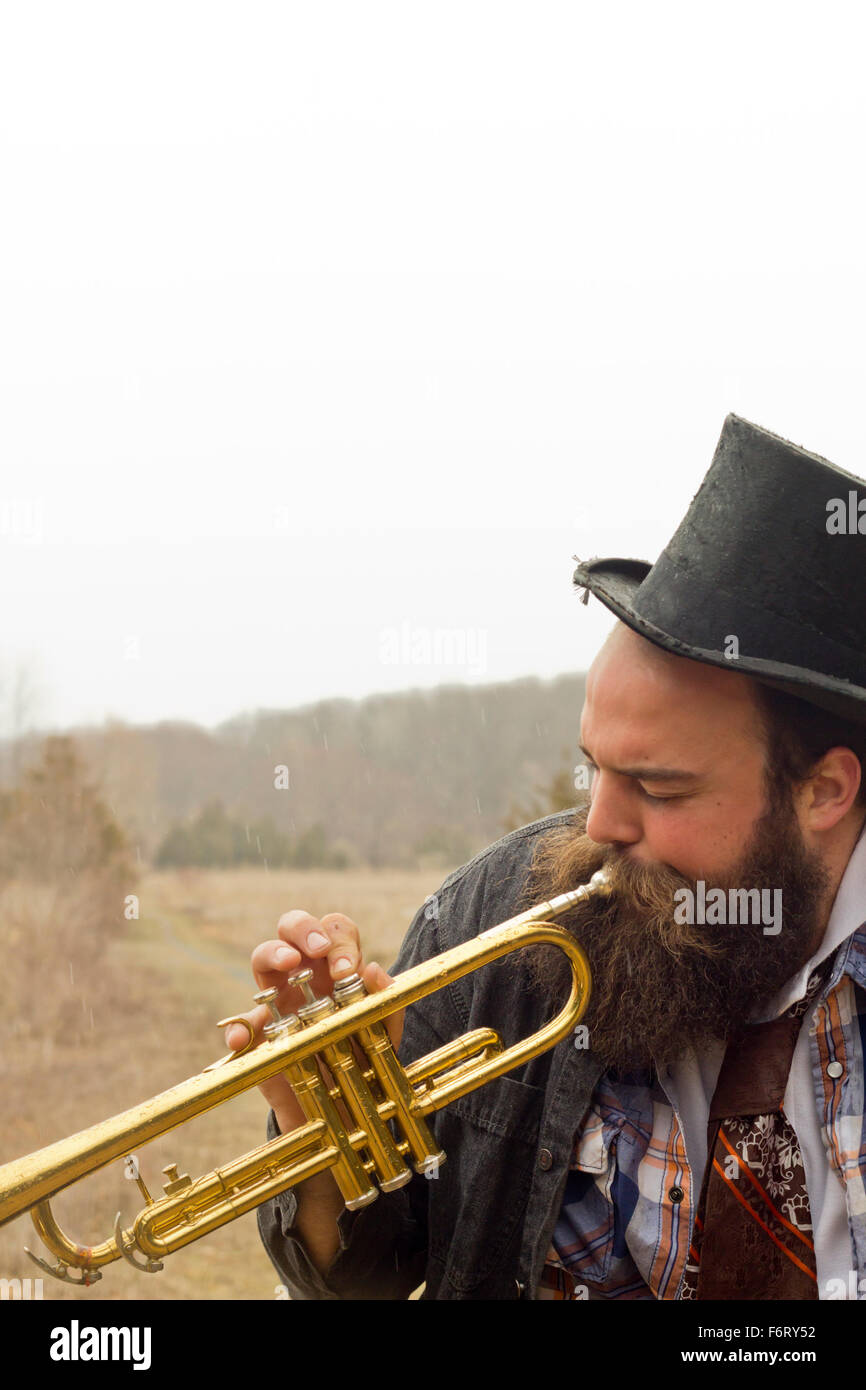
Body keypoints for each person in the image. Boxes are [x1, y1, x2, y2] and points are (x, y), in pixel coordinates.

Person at [227, 414, 866, 1299]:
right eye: (594, 766)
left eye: (659, 787)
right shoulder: (494, 913)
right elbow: (363, 1276)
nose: (599, 823)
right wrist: (331, 1152)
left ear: (825, 792)